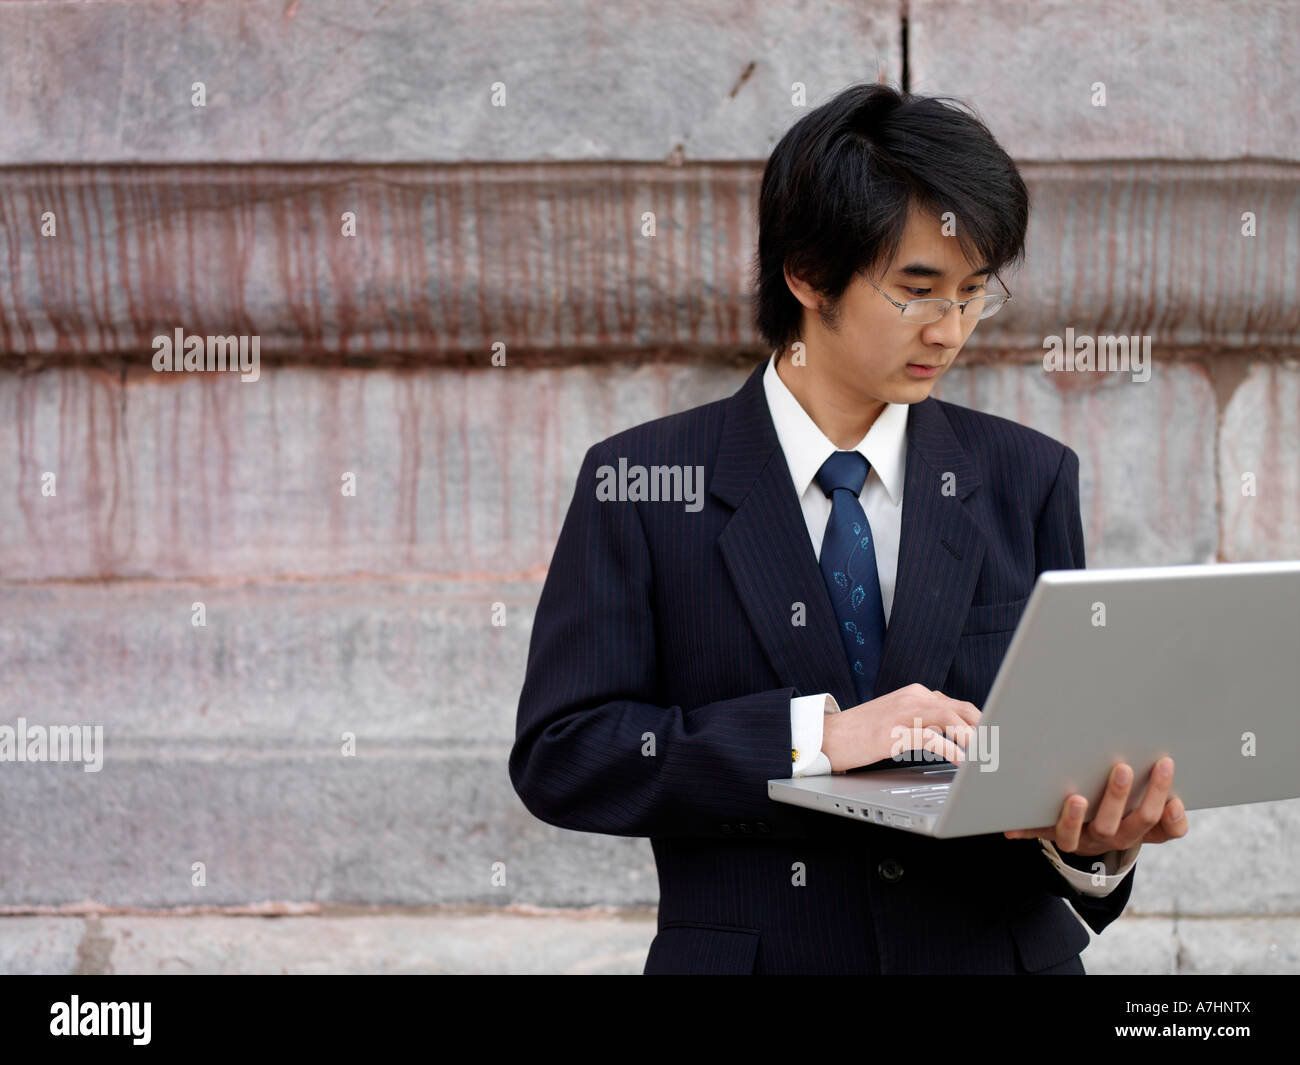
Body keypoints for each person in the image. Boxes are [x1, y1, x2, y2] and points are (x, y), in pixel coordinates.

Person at [509, 82, 1189, 974]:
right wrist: (812, 742)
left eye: (975, 292)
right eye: (918, 290)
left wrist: (1096, 845)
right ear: (807, 273)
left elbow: (1064, 767)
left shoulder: (1028, 477)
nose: (951, 330)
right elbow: (565, 754)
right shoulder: (640, 484)